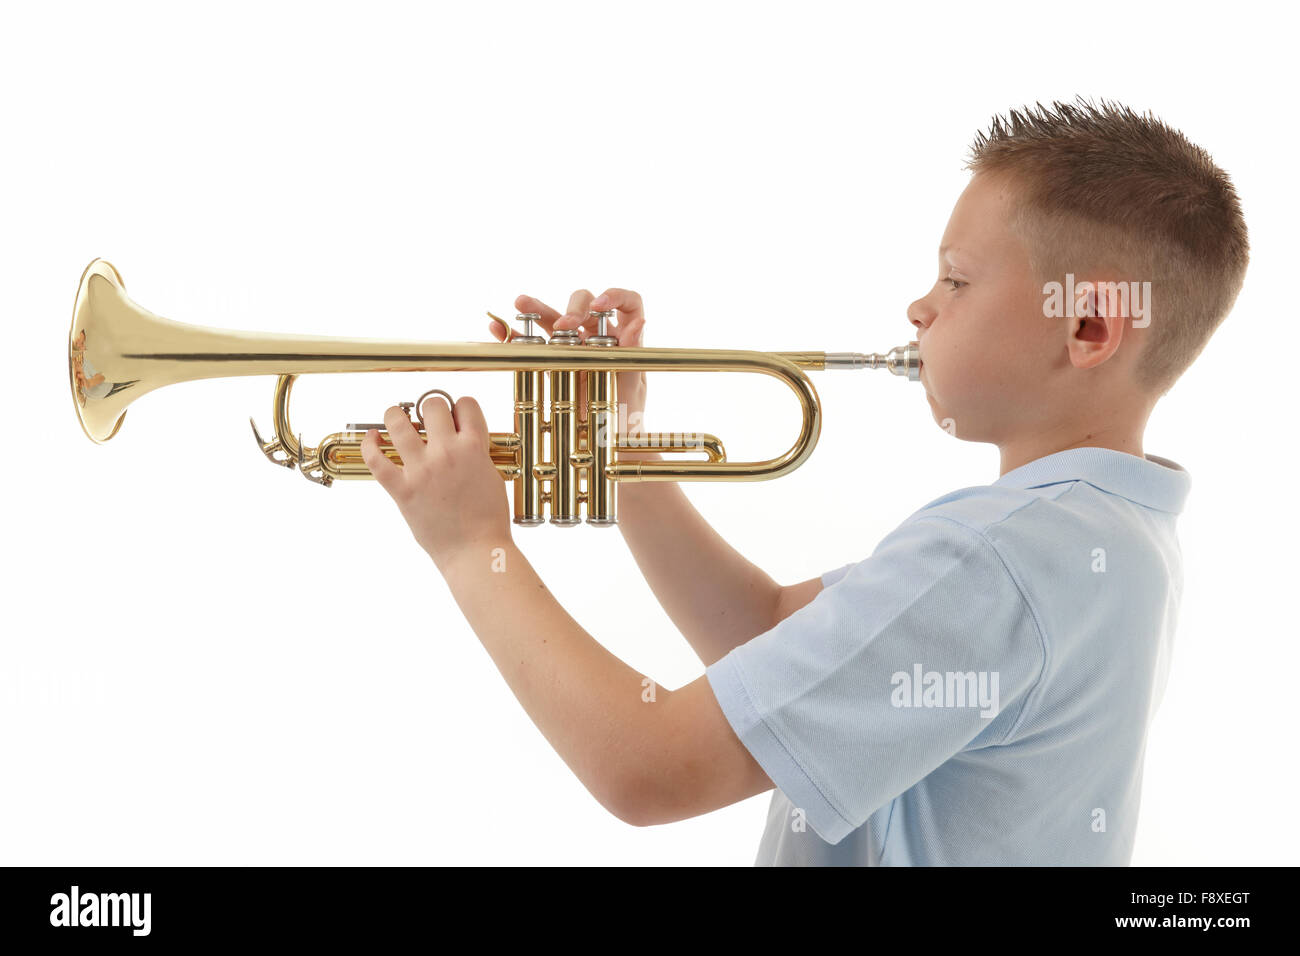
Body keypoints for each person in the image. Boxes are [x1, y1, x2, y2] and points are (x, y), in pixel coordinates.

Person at [359, 97, 1249, 865]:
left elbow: (647, 768)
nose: (919, 308)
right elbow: (771, 635)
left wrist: (471, 546)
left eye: (955, 279)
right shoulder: (1104, 532)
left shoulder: (994, 557)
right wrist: (613, 440)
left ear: (1088, 328)